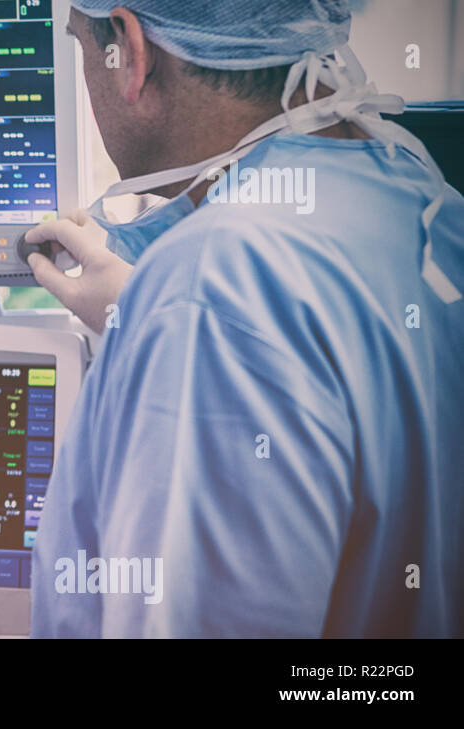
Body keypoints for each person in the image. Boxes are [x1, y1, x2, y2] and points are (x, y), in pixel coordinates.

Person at [25, 0, 463, 637]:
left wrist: (181, 318)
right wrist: (149, 313)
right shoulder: (429, 199)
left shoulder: (211, 290)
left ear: (130, 48)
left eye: (81, 46)